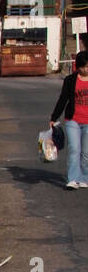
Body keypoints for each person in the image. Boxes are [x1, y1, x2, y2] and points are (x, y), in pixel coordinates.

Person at [50, 49, 88, 188]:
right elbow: (63, 99)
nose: (86, 69)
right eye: (83, 67)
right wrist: (54, 117)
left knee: (86, 153)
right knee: (74, 148)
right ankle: (72, 179)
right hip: (73, 119)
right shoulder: (70, 80)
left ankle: (84, 178)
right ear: (78, 67)